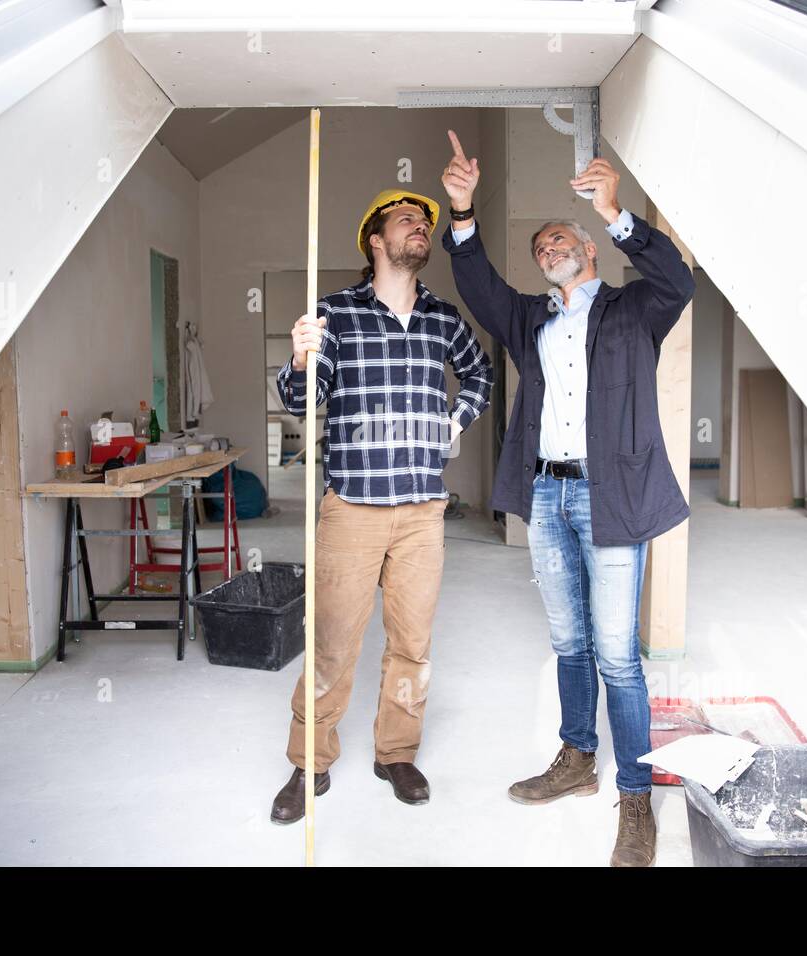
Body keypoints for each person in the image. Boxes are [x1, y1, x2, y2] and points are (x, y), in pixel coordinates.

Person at [440, 131, 695, 866]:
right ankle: (578, 759)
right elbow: (481, 286)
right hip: (549, 500)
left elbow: (679, 280)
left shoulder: (635, 310)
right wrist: (462, 212)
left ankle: (637, 801)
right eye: (540, 246)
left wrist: (618, 212)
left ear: (589, 247)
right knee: (569, 642)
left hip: (611, 499)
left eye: (561, 238)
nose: (548, 246)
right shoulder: (532, 319)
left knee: (618, 654)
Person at [269, 188, 494, 824]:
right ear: (376, 239)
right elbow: (300, 401)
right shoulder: (334, 313)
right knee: (333, 644)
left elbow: (480, 374)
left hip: (422, 510)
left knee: (412, 646)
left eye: (426, 221)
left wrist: (456, 421)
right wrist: (298, 356)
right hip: (353, 509)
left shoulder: (443, 318)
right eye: (407, 220)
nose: (420, 227)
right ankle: (308, 760)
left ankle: (395, 751)